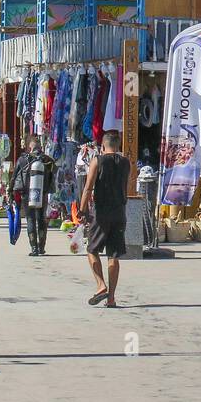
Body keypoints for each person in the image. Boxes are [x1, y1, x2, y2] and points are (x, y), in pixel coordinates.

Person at [80, 130, 131, 308]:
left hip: (101, 213)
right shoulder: (126, 162)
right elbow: (126, 186)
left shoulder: (98, 161)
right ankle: (111, 298)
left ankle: (101, 285)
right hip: (119, 212)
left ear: (102, 146)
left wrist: (82, 210)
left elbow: (88, 188)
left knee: (92, 250)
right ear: (118, 146)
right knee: (113, 255)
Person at [10, 135, 55, 256]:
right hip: (42, 193)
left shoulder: (22, 160)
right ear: (40, 147)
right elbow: (53, 176)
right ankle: (41, 247)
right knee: (41, 219)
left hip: (26, 194)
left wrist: (10, 192)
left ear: (29, 147)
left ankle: (34, 248)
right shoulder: (48, 160)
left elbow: (14, 177)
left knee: (30, 219)